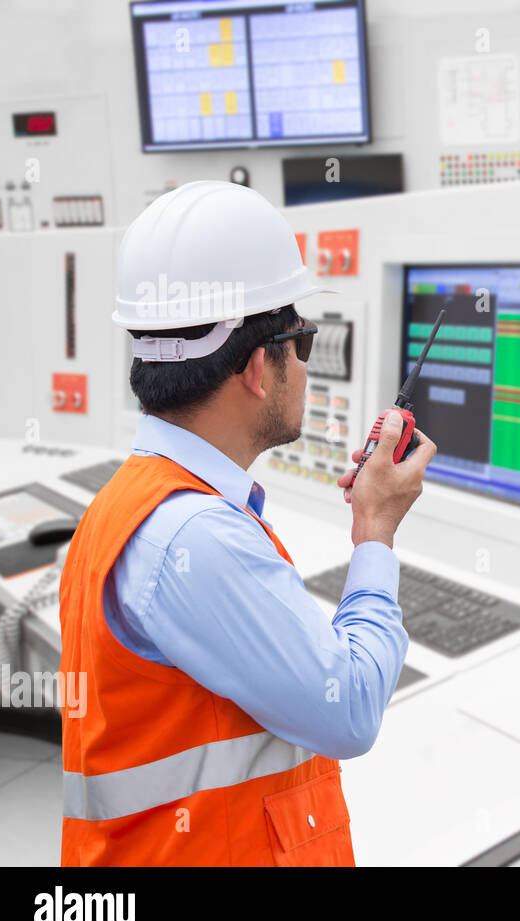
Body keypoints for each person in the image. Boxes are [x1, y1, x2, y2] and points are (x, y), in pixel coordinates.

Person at [58, 181, 434, 865]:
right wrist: (374, 531)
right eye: (304, 341)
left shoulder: (137, 502)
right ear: (261, 367)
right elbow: (347, 711)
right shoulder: (194, 538)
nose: (305, 365)